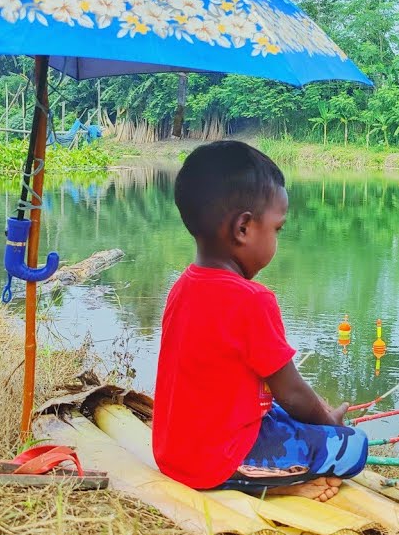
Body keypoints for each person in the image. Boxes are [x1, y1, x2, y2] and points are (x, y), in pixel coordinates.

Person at [153, 140, 368, 501]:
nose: (277, 239)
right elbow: (293, 391)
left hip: (173, 453)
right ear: (244, 229)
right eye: (278, 229)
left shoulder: (183, 286)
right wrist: (329, 421)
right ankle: (274, 480)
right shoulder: (252, 300)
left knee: (284, 414)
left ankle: (275, 471)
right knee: (353, 447)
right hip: (214, 463)